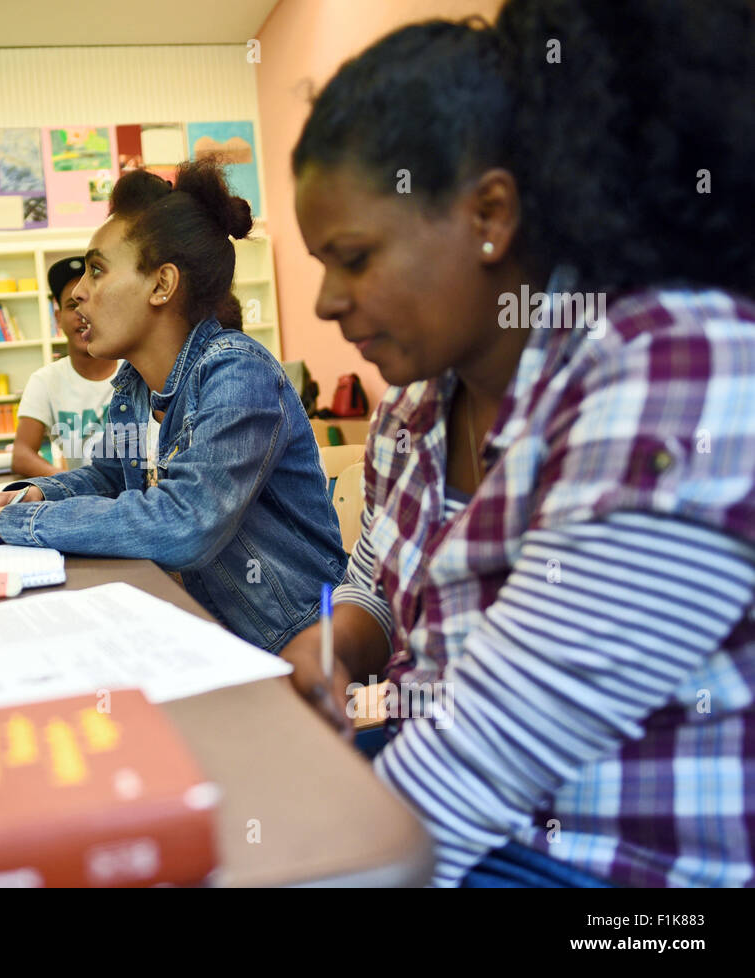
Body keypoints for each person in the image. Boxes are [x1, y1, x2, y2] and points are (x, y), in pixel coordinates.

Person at [281, 1, 755, 887]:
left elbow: (488, 753)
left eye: (352, 257)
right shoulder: (412, 411)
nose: (324, 303)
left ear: (489, 214)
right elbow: (382, 587)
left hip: (613, 872)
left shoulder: (676, 369)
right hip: (469, 811)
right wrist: (340, 644)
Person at [0, 161, 348, 654]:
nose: (78, 292)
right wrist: (33, 497)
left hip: (304, 643)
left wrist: (2, 524)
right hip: (219, 630)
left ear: (162, 284)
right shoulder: (134, 385)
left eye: (97, 269)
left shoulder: (238, 375)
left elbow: (183, 524)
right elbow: (111, 477)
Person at [12, 256, 119, 477]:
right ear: (58, 317)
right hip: (83, 501)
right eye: (72, 305)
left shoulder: (137, 370)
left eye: (92, 303)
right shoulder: (45, 380)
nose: (82, 314)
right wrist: (70, 483)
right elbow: (21, 454)